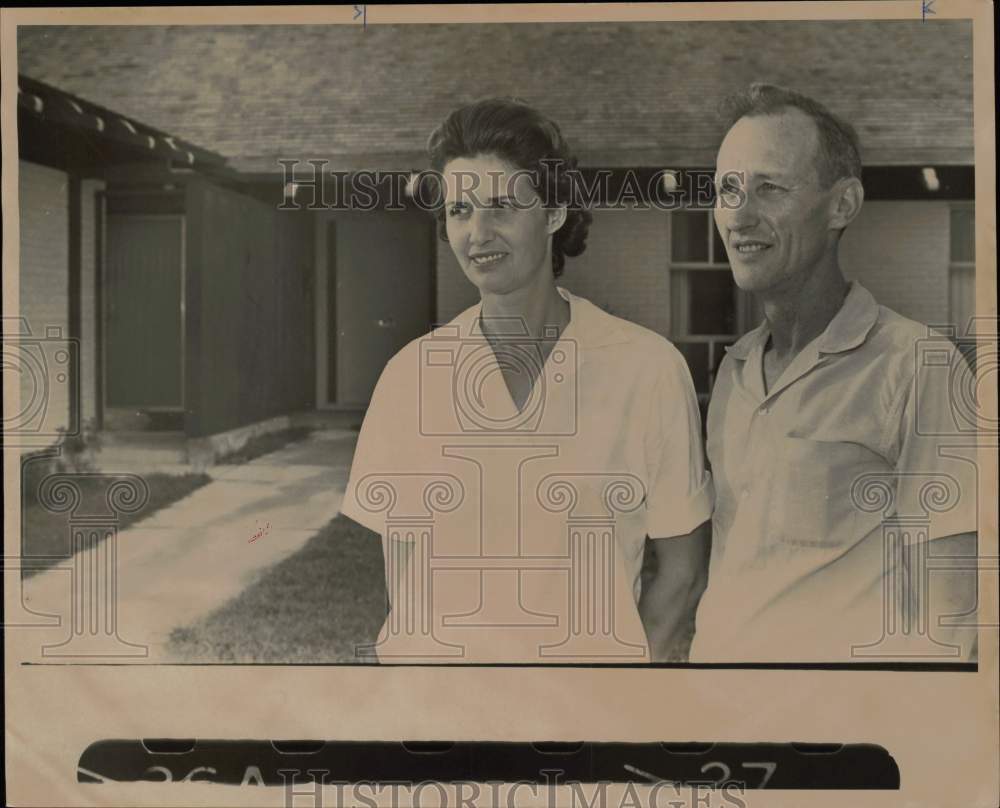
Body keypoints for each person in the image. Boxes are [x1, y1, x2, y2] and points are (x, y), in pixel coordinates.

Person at [341, 98, 712, 663]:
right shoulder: (410, 377)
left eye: (502, 206)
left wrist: (619, 696)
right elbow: (405, 575)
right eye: (460, 210)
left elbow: (683, 575)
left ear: (554, 211)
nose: (478, 233)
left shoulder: (646, 370)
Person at [691, 83, 978, 662]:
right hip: (718, 702)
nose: (738, 216)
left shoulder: (917, 367)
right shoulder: (736, 371)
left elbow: (954, 616)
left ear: (842, 205)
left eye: (769, 187)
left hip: (835, 714)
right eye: (727, 189)